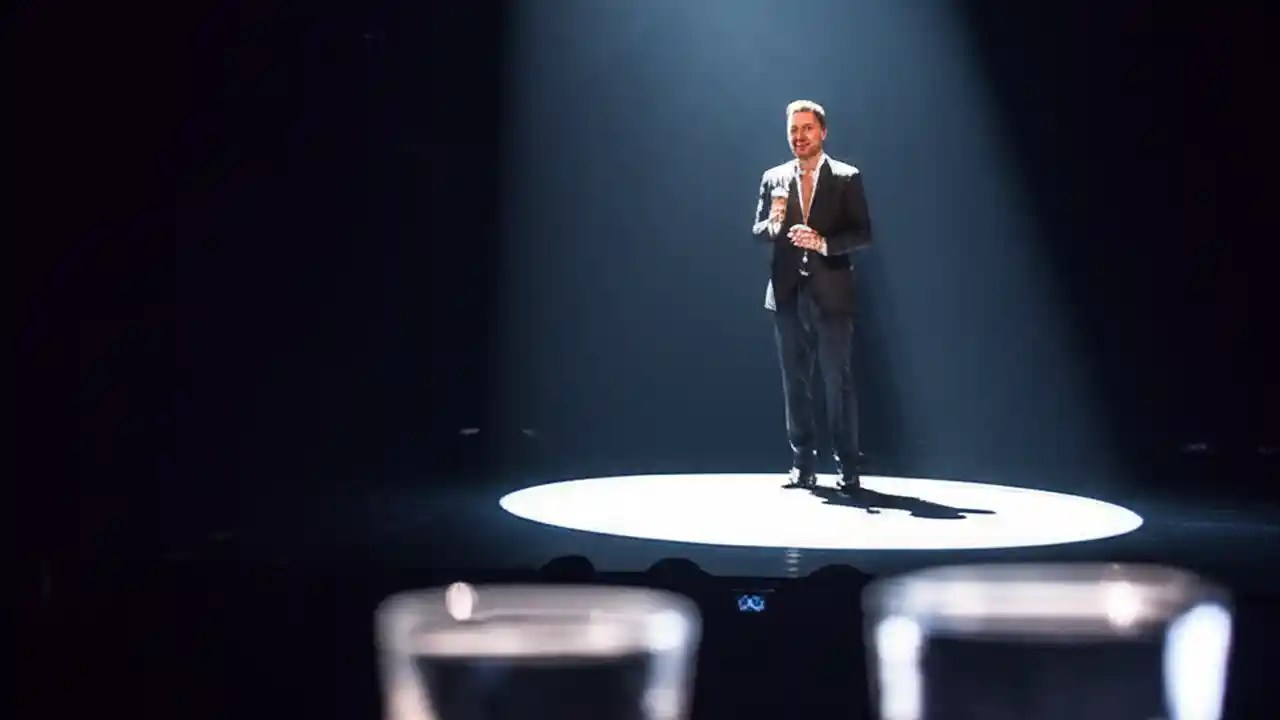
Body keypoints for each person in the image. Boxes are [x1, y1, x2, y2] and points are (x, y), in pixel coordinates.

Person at [750, 100, 873, 491]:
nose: (799, 136)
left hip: (831, 293)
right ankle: (802, 463)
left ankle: (848, 465)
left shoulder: (846, 177)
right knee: (794, 382)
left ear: (823, 131)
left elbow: (863, 233)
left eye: (806, 128)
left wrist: (822, 243)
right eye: (793, 130)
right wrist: (771, 226)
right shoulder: (773, 177)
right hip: (788, 294)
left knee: (837, 381)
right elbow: (757, 229)